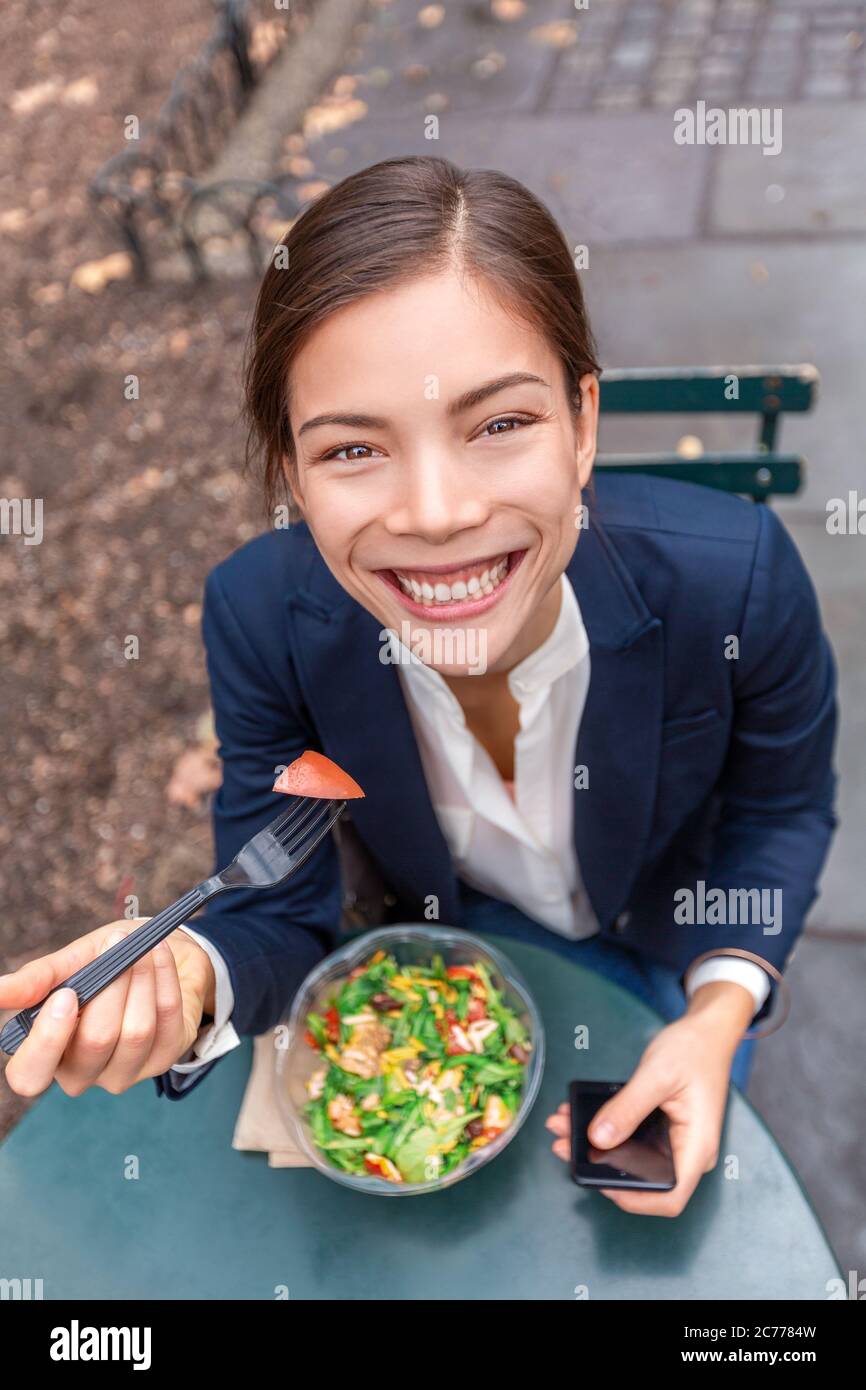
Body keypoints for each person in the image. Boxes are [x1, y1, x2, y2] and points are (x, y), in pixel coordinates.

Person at [1, 157, 837, 1218]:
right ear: (292, 477)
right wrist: (195, 976)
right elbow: (276, 901)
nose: (435, 512)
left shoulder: (737, 580)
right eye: (353, 447)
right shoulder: (262, 617)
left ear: (582, 423)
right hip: (447, 951)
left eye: (498, 425)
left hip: (679, 953)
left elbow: (780, 809)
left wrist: (718, 1009)